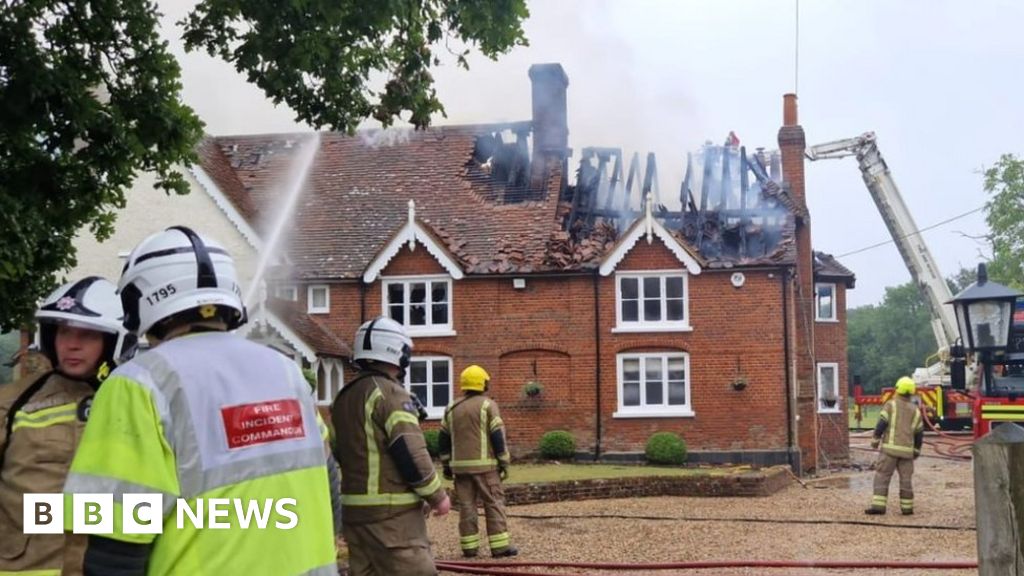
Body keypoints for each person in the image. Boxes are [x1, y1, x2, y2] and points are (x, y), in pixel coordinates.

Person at [63, 226, 337, 575]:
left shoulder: (139, 384)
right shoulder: (286, 373)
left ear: (140, 300)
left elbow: (116, 538)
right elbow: (328, 484)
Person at [0, 276, 132, 576]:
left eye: (87, 334)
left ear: (113, 340)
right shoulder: (13, 401)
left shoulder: (135, 402)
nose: (71, 344)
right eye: (63, 332)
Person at [331, 317, 450, 576]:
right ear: (398, 353)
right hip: (392, 517)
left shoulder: (345, 396)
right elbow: (410, 451)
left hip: (354, 511)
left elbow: (341, 451)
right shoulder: (391, 394)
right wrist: (437, 497)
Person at [439, 364, 517, 559]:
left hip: (460, 470)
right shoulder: (487, 405)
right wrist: (504, 461)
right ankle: (500, 548)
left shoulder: (451, 408)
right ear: (483, 383)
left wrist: (447, 465)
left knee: (466, 508)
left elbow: (443, 439)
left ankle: (469, 549)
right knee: (494, 503)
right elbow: (497, 435)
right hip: (485, 468)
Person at [865, 376, 924, 515]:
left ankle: (878, 507)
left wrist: (875, 440)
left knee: (882, 476)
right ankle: (907, 508)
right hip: (907, 453)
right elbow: (919, 434)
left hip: (889, 451)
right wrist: (916, 451)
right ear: (911, 392)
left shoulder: (891, 405)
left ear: (897, 389)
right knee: (906, 480)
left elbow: (881, 424)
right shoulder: (915, 410)